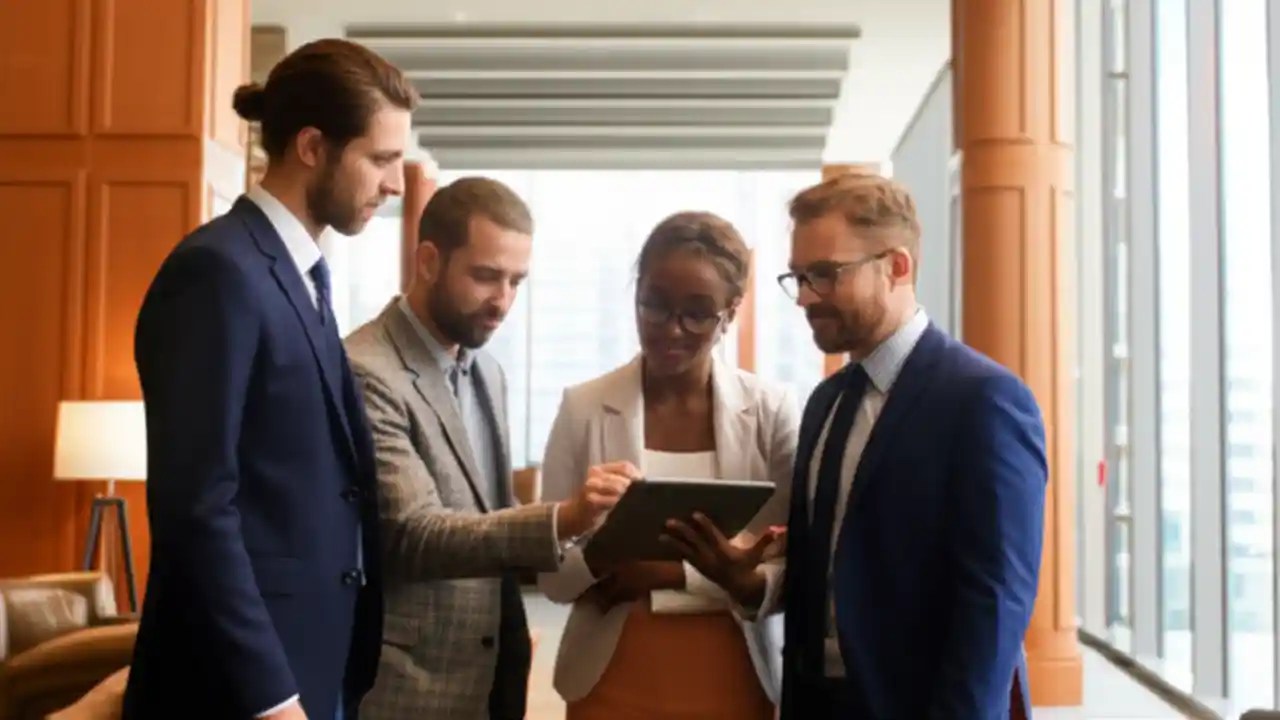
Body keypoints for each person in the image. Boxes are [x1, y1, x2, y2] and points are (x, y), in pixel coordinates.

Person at [664, 173, 1047, 719]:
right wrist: (746, 579)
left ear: (896, 267)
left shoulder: (984, 400)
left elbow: (996, 600)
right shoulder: (825, 402)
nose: (805, 298)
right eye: (797, 277)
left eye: (824, 275)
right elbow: (830, 563)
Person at [123, 39, 417, 720]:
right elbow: (197, 507)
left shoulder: (297, 274)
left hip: (313, 665)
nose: (396, 184)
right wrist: (272, 697)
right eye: (380, 159)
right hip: (241, 690)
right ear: (312, 146)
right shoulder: (218, 273)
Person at [343, 177, 636, 720]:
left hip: (491, 678)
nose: (502, 301)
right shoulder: (366, 370)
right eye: (485, 277)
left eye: (516, 281)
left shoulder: (487, 370)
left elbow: (486, 517)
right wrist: (565, 517)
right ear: (429, 260)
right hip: (407, 687)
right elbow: (413, 533)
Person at [537, 212, 799, 720]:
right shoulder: (583, 407)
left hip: (735, 673)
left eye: (697, 313)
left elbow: (787, 565)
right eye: (654, 305)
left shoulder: (772, 411)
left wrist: (662, 573)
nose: (670, 329)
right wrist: (602, 557)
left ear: (732, 312)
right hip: (609, 675)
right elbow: (550, 579)